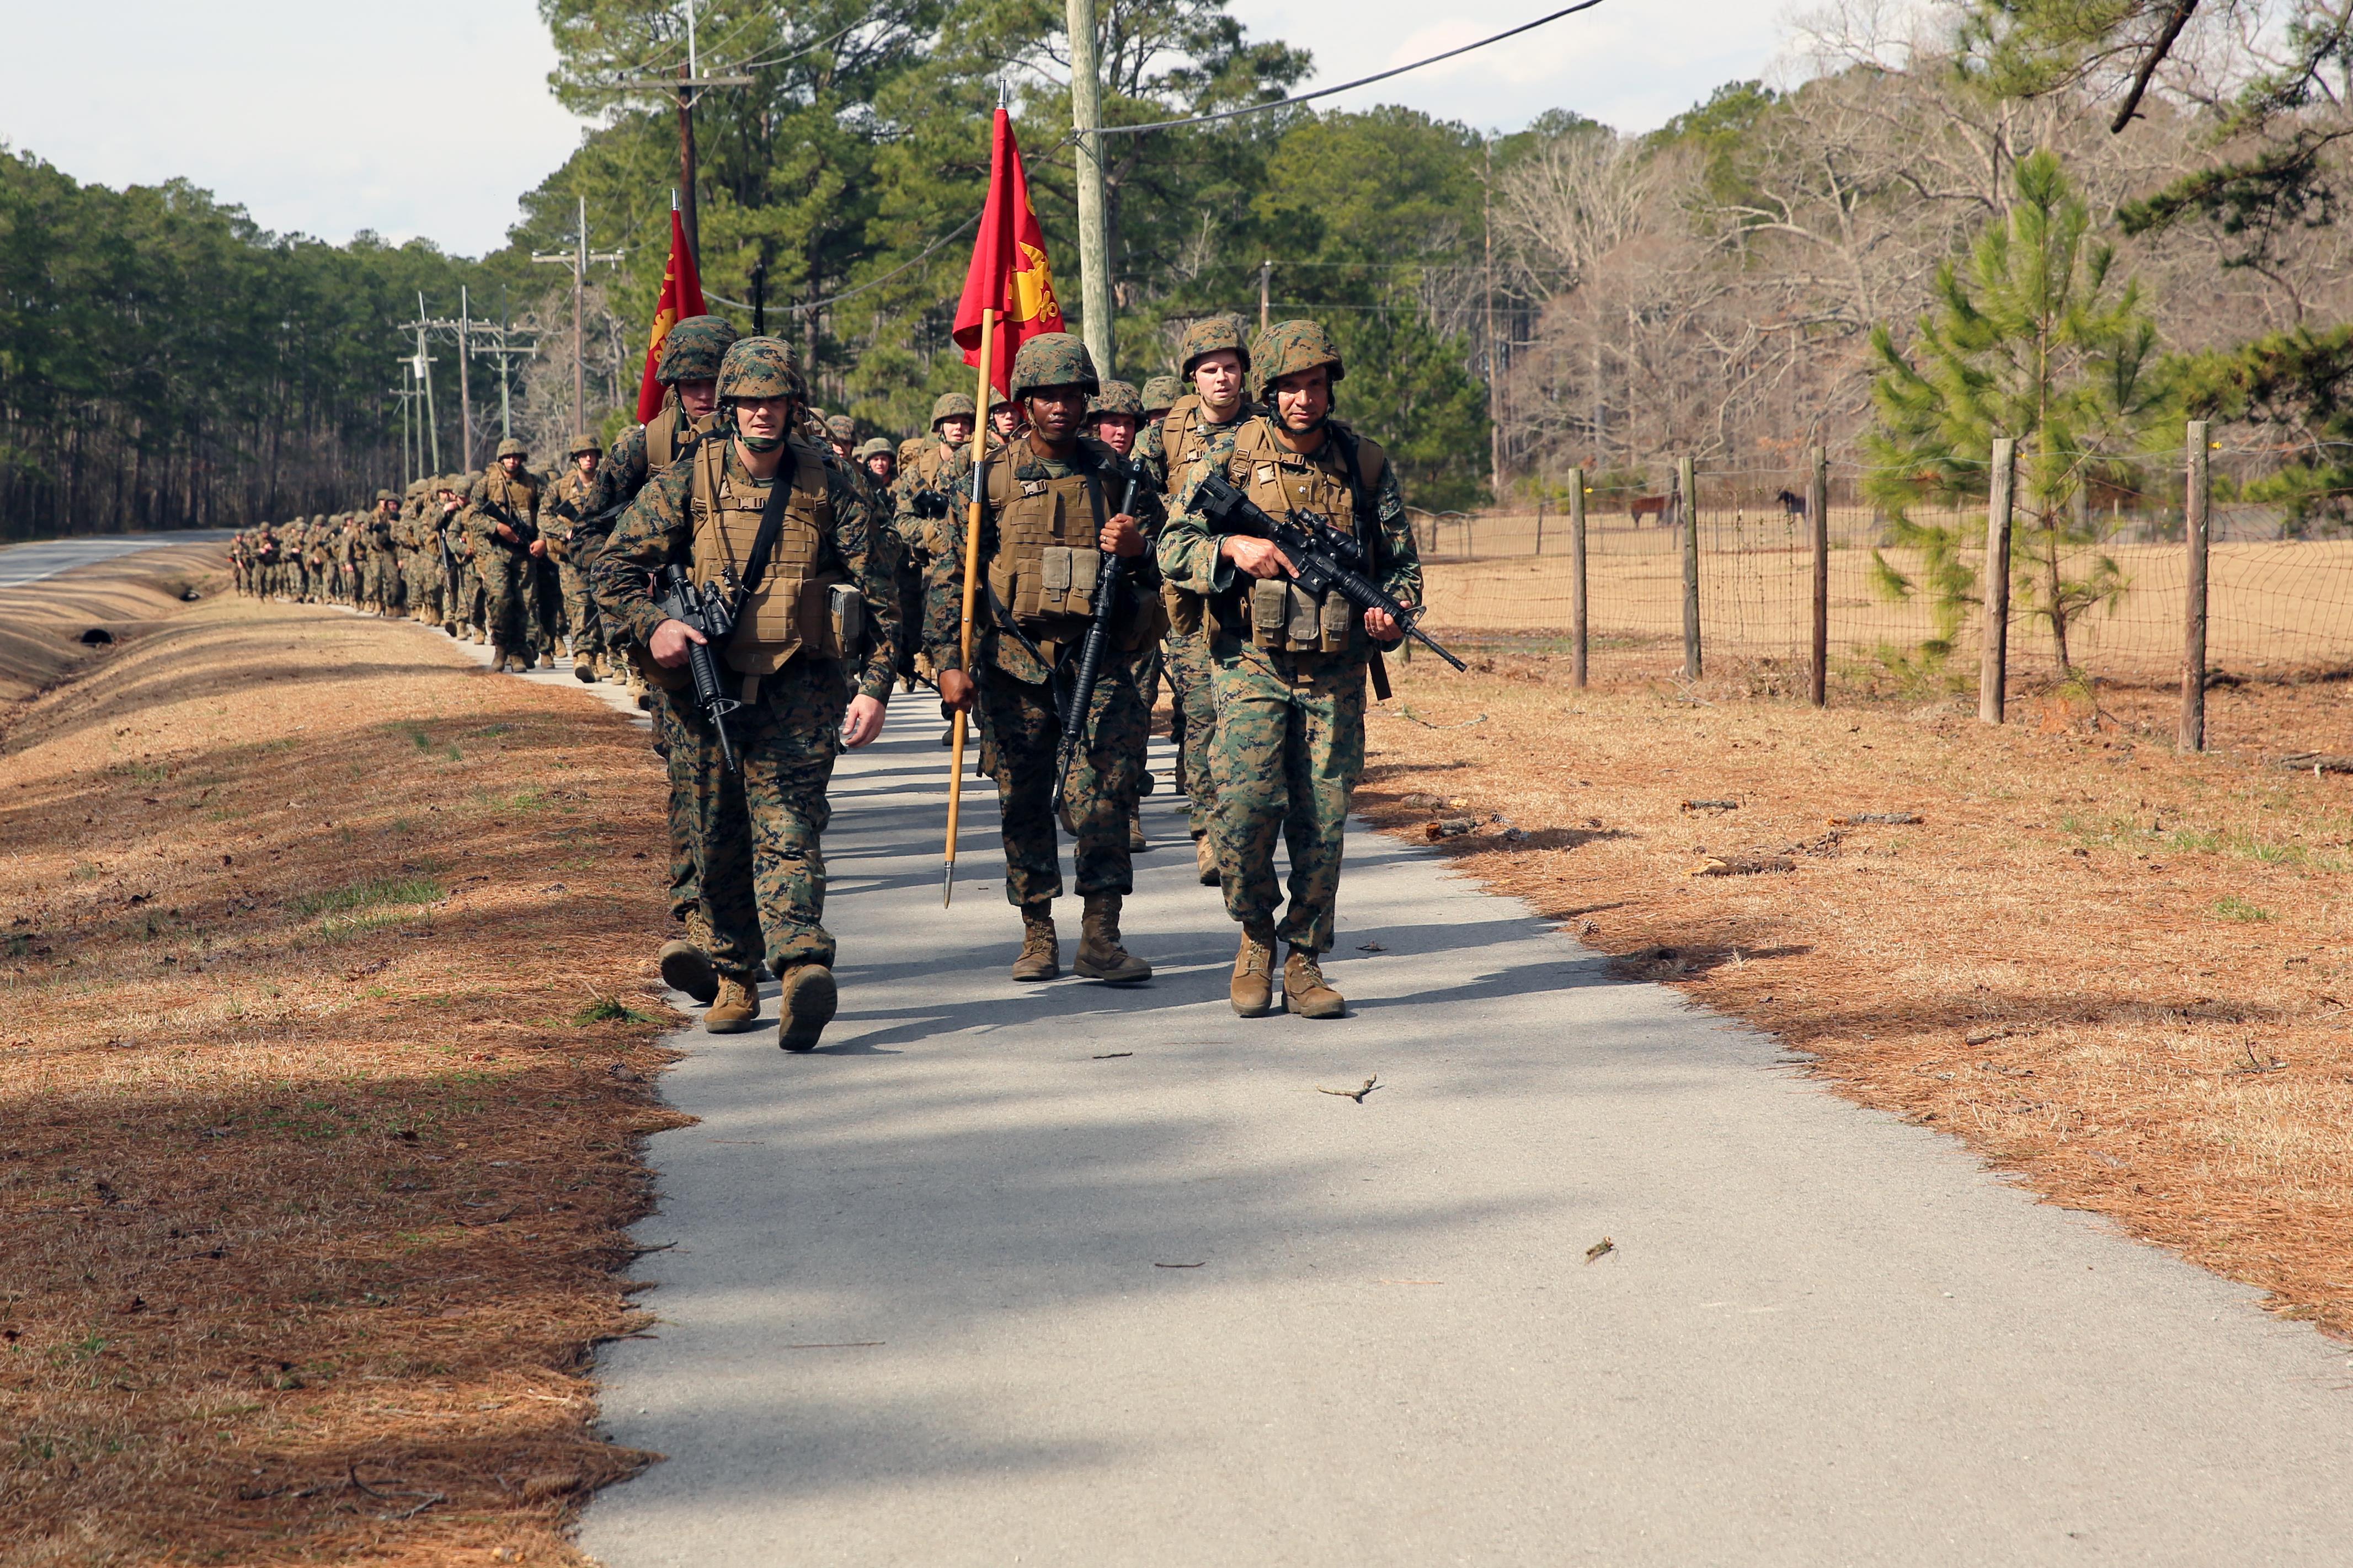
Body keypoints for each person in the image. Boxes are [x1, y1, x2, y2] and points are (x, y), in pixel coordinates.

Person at [593, 336, 900, 1049]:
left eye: (775, 400)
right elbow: (612, 569)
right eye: (749, 401)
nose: (763, 414)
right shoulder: (685, 481)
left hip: (803, 688)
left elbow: (886, 597)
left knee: (789, 829)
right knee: (717, 834)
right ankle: (734, 973)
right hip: (704, 690)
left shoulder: (833, 483)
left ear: (794, 406)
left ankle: (801, 966)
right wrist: (655, 624)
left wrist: (876, 688)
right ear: (729, 407)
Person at [1159, 319, 1423, 1020]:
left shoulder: (1362, 463)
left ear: (1329, 388)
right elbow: (1171, 546)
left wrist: (1393, 615)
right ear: (1268, 391)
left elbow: (1400, 568)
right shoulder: (1227, 458)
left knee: (1323, 819)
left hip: (1334, 668)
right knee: (1242, 811)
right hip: (1248, 661)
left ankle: (1303, 958)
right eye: (1289, 387)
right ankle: (1254, 934)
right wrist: (1232, 549)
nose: (1303, 399)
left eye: (1315, 385)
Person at [927, 333, 1161, 986]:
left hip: (1099, 658)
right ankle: (1037, 930)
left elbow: (1167, 566)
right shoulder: (985, 480)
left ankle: (1102, 934)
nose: (1060, 406)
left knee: (1106, 797)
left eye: (1071, 394)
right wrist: (949, 662)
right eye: (1046, 395)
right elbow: (951, 578)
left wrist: (1139, 547)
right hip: (1014, 664)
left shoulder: (1118, 475)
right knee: (1022, 798)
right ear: (1023, 402)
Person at [1149, 317, 1258, 886]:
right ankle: (1206, 832)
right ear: (1192, 376)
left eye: (1230, 368)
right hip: (1188, 603)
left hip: (1252, 603)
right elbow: (1139, 503)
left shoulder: (1265, 429)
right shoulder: (1165, 434)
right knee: (1202, 716)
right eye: (1210, 369)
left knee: (1245, 719)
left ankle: (1241, 821)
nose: (1222, 378)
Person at [1086, 379, 1159, 855]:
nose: (1120, 430)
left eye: (1129, 422)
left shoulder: (1139, 480)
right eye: (1111, 421)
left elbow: (1164, 555)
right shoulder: (1077, 474)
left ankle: (1127, 808)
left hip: (1131, 623)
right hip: (1076, 619)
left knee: (1131, 717)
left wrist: (1140, 549)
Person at [463, 438, 545, 672]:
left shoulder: (534, 483)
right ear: (501, 459)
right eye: (508, 457)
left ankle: (518, 652)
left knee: (525, 603)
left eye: (517, 457)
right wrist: (498, 528)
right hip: (496, 552)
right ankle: (501, 648)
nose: (512, 461)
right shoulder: (486, 483)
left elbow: (547, 513)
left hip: (525, 552)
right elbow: (473, 515)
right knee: (499, 599)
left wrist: (542, 540)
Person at [546, 433, 608, 682]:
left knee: (602, 604)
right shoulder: (561, 488)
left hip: (601, 555)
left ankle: (602, 654)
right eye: (583, 455)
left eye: (592, 454)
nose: (588, 459)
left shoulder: (607, 483)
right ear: (575, 460)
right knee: (579, 608)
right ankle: (582, 655)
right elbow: (543, 516)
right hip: (571, 559)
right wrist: (565, 531)